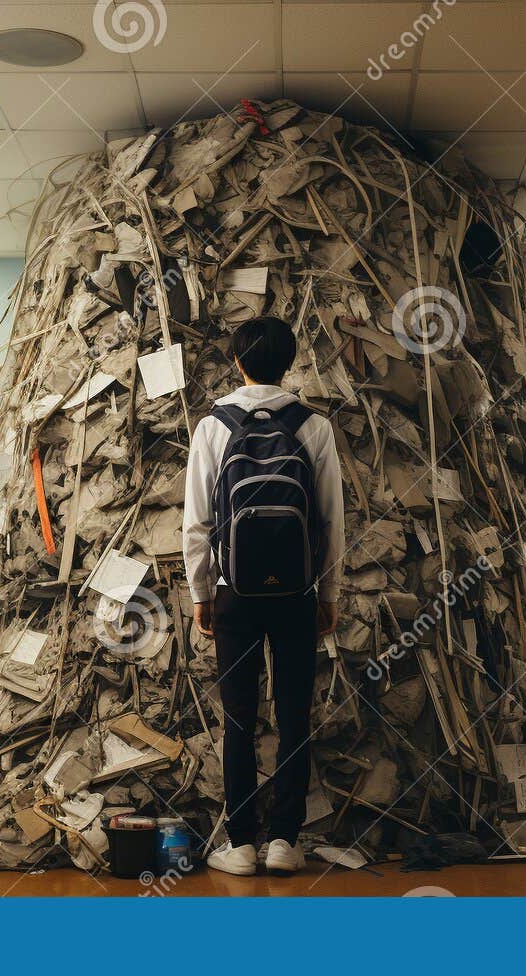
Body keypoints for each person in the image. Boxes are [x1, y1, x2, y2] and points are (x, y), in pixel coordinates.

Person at [182, 316, 344, 876]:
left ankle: (242, 844)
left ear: (238, 361)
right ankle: (285, 841)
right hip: (297, 593)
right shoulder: (313, 426)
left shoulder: (213, 427)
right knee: (295, 711)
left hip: (236, 593)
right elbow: (330, 520)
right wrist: (329, 592)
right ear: (289, 361)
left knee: (239, 717)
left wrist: (201, 592)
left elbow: (197, 522)